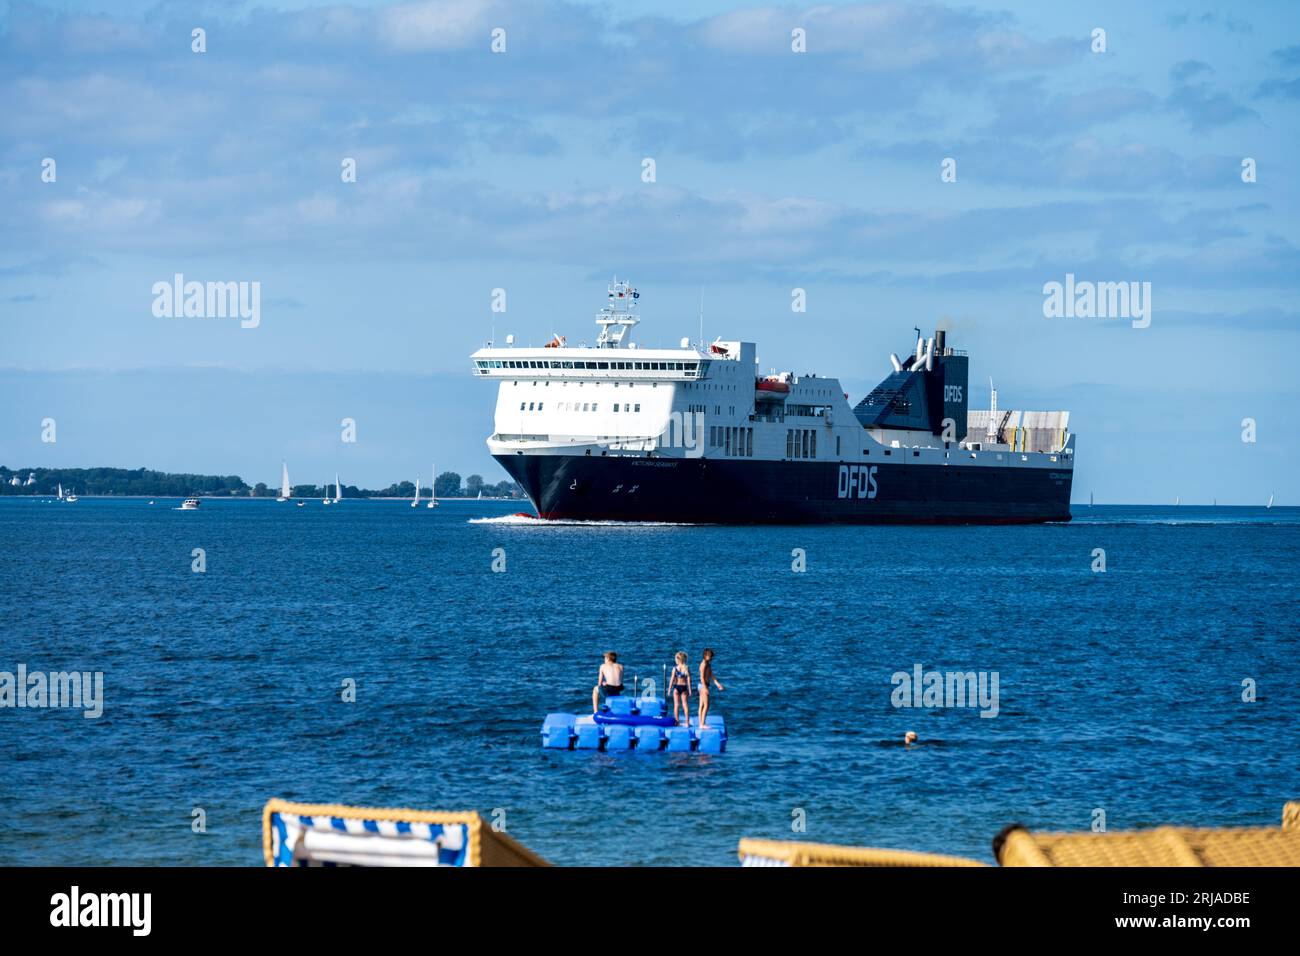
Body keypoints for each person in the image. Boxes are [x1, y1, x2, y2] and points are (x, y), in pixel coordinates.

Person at [697, 647, 724, 728]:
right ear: (705, 655)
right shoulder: (703, 664)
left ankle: (701, 723)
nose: (711, 658)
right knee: (706, 705)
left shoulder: (708, 664)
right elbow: (701, 677)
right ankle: (702, 724)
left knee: (702, 705)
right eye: (710, 656)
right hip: (703, 686)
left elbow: (711, 675)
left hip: (702, 686)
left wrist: (718, 684)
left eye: (712, 656)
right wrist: (705, 688)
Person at [669, 651, 692, 725]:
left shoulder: (675, 668)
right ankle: (687, 722)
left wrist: (669, 689)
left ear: (678, 660)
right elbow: (689, 680)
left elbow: (672, 679)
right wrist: (690, 690)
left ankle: (677, 722)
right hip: (684, 687)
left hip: (676, 687)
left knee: (676, 705)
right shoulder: (686, 668)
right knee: (685, 705)